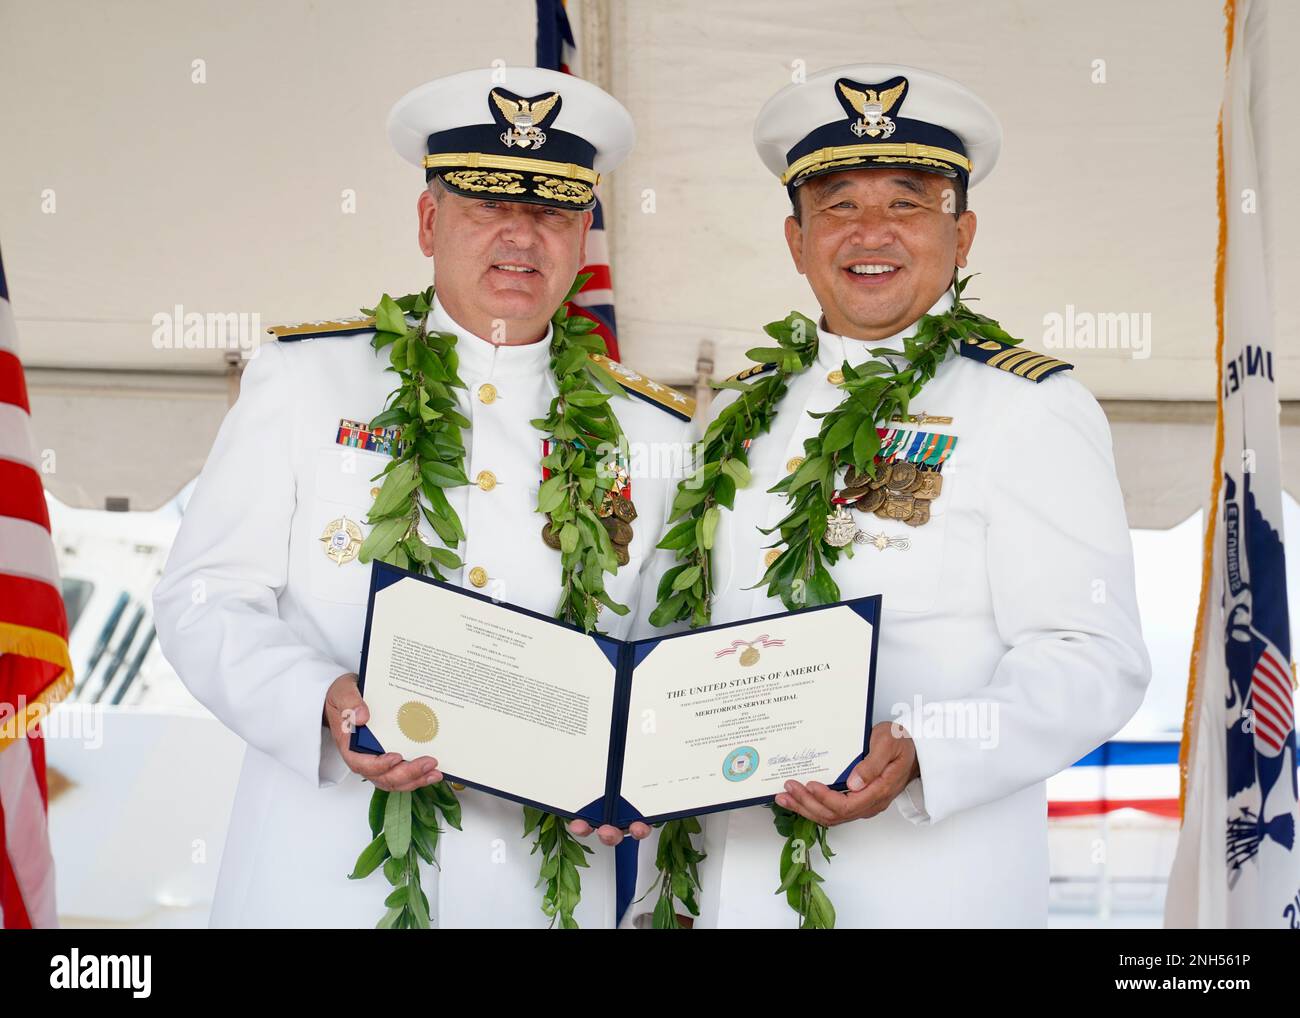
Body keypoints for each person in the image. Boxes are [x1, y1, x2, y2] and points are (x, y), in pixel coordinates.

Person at [153, 67, 693, 928]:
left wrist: (654, 767)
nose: (522, 235)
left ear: (585, 233)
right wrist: (320, 700)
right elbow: (202, 596)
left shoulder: (654, 432)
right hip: (323, 872)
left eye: (554, 209)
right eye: (486, 205)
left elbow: (666, 648)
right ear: (428, 220)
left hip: (540, 887)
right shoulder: (309, 377)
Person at [627, 63, 1151, 928]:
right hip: (725, 884)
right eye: (837, 205)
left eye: (909, 202)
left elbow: (1094, 657)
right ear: (796, 241)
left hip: (926, 892)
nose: (872, 231)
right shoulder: (740, 411)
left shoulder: (1028, 406)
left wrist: (926, 750)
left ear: (963, 233)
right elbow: (672, 627)